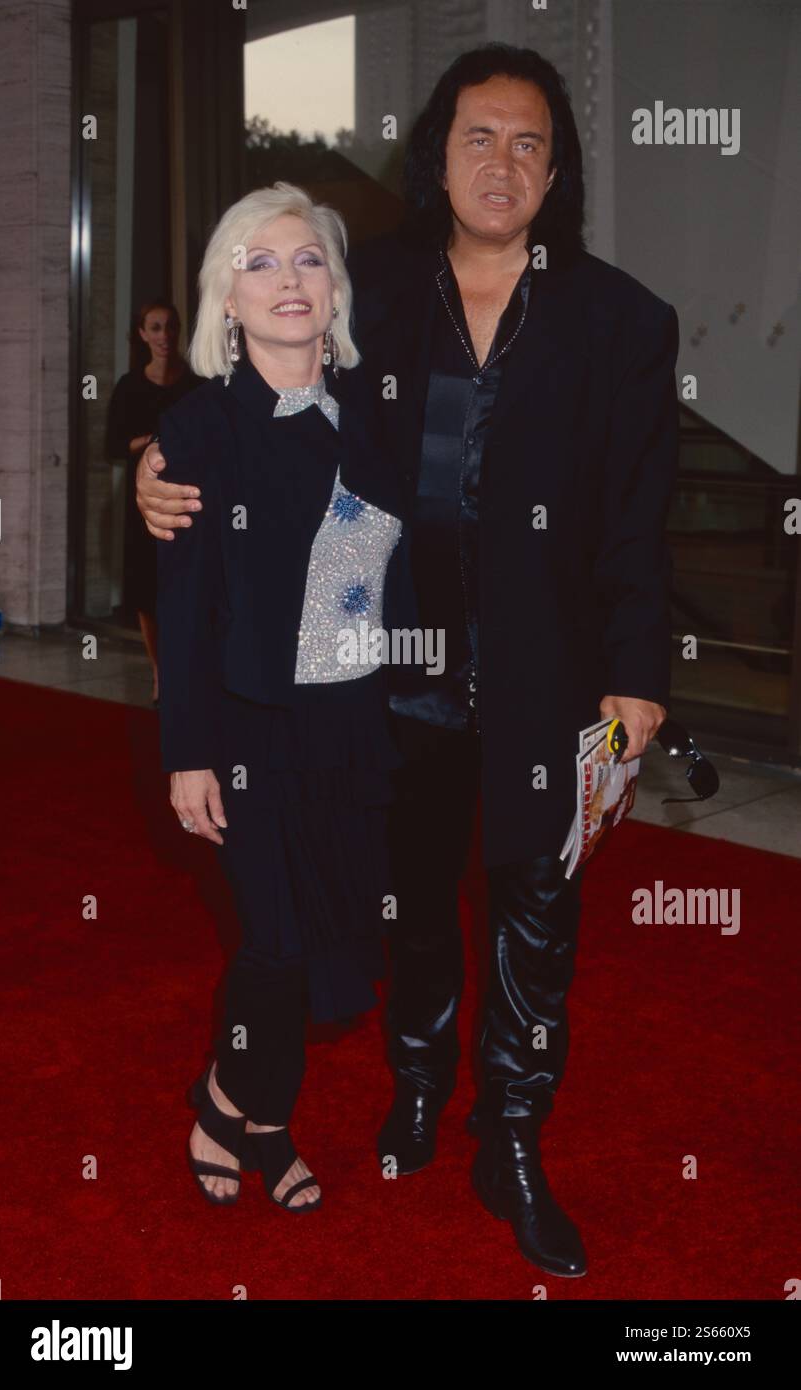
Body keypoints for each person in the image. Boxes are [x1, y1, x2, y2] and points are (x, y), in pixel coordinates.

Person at [136, 45, 680, 1276]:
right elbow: (253, 392)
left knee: (538, 911)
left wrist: (639, 673)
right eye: (477, 136)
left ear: (558, 170)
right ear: (434, 154)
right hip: (395, 668)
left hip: (554, 672)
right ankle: (420, 1090)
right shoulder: (366, 288)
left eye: (529, 141)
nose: (502, 162)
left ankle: (515, 1139)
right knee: (417, 902)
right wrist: (158, 469)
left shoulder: (622, 323)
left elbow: (639, 515)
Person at [154, 183, 408, 1211]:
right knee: (274, 939)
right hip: (245, 726)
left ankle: (261, 1108)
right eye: (259, 263)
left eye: (307, 260)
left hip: (351, 729)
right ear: (227, 298)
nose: (287, 280)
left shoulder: (374, 418)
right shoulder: (202, 426)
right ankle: (231, 1103)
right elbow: (180, 606)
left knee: (333, 940)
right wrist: (186, 753)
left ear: (337, 288)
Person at [105, 301, 199, 702]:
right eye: (156, 328)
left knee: (186, 585)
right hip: (142, 498)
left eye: (170, 328)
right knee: (146, 591)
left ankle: (187, 669)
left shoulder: (195, 383)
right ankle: (160, 671)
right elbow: (113, 445)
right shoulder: (129, 385)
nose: (164, 336)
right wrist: (156, 438)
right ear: (142, 334)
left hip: (188, 496)